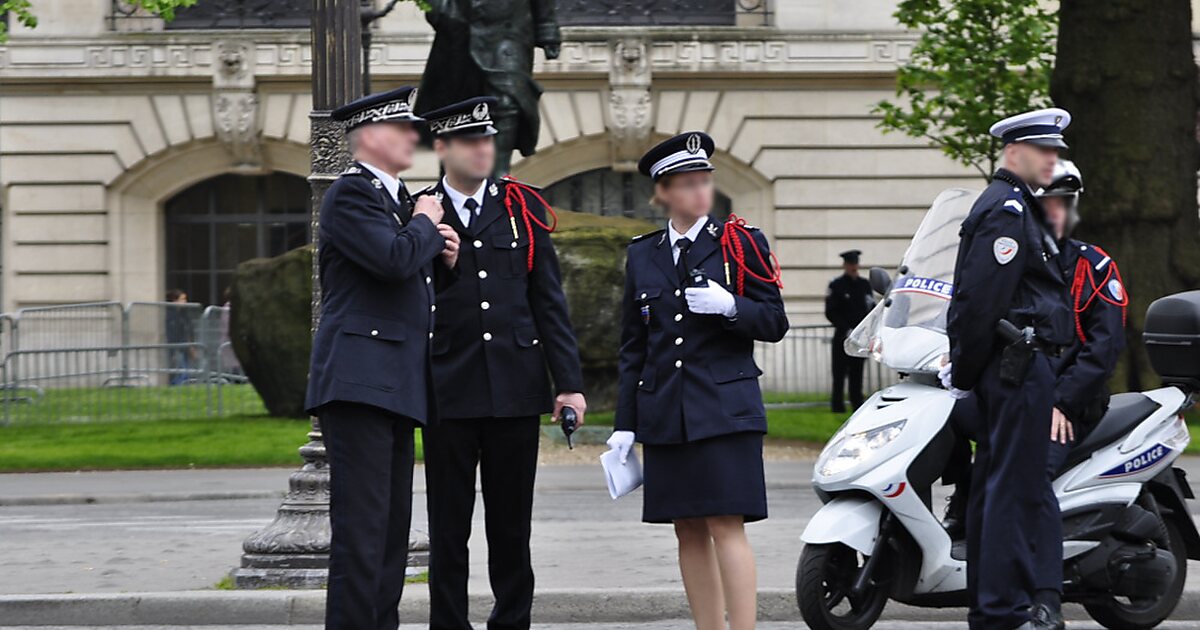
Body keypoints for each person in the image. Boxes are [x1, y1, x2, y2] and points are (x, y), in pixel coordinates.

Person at [415, 96, 587, 630]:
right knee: (449, 523)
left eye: (488, 139)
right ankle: (449, 623)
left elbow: (548, 303)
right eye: (471, 141)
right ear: (443, 148)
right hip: (448, 386)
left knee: (512, 523)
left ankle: (512, 621)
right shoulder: (418, 211)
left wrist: (570, 385)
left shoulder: (523, 209)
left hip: (515, 386)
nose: (484, 149)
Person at [606, 132, 789, 630]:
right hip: (666, 411)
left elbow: (774, 321)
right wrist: (626, 422)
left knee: (726, 524)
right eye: (687, 184)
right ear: (662, 192)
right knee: (686, 528)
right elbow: (634, 346)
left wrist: (733, 307)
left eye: (705, 181)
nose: (700, 192)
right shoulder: (644, 254)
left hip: (724, 409)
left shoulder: (740, 242)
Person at [939, 159, 1128, 630]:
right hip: (1014, 387)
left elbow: (1103, 349)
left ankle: (1045, 597)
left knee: (1030, 475)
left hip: (1067, 401)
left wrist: (1061, 400)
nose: (1055, 214)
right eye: (1047, 204)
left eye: (1063, 205)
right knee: (962, 443)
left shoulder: (1092, 265)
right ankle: (966, 540)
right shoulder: (1018, 256)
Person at [302, 86, 460, 630]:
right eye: (403, 129)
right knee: (363, 533)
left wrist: (441, 257)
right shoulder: (351, 194)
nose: (414, 137)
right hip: (360, 380)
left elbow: (401, 280)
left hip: (393, 381)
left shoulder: (394, 200)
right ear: (371, 138)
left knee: (391, 532)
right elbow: (391, 261)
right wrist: (424, 223)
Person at [943, 108, 1074, 630]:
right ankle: (1000, 610)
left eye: (1056, 151)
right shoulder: (1007, 211)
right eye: (1045, 150)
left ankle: (991, 605)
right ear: (1014, 152)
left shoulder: (1013, 206)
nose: (1053, 160)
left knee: (997, 488)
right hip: (1015, 368)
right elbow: (979, 302)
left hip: (1010, 367)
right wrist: (968, 367)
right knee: (1010, 492)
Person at [417, 0, 562, 177]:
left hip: (509, 32)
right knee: (457, 111)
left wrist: (548, 29)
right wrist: (438, 9)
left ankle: (498, 176)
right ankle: (453, 183)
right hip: (459, 31)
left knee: (507, 102)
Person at [824, 249, 874, 411]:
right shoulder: (837, 285)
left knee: (857, 373)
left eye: (855, 264)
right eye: (850, 264)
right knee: (839, 374)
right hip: (843, 336)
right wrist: (845, 327)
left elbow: (871, 308)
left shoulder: (864, 285)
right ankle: (837, 406)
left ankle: (857, 403)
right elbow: (831, 311)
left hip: (860, 337)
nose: (853, 267)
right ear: (845, 265)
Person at [164, 288, 195, 385]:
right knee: (182, 372)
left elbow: (189, 329)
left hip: (184, 346)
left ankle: (178, 385)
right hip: (177, 347)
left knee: (184, 371)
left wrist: (191, 345)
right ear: (175, 301)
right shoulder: (171, 315)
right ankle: (176, 386)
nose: (185, 302)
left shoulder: (183, 314)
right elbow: (172, 333)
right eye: (182, 299)